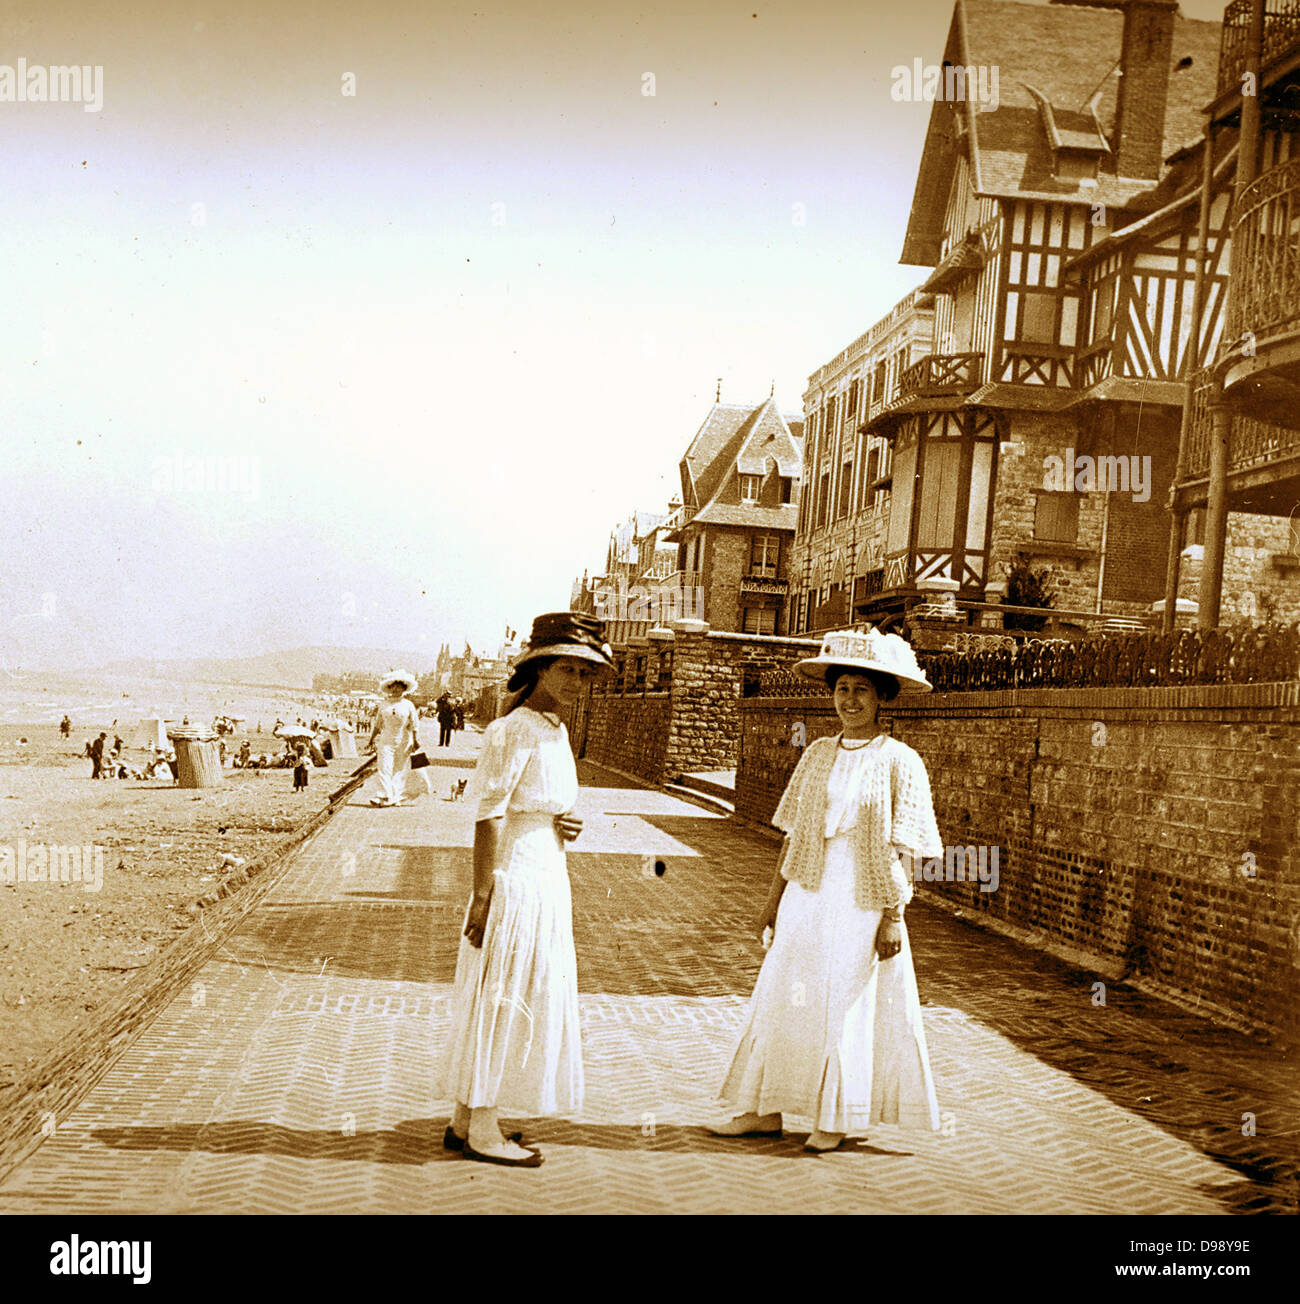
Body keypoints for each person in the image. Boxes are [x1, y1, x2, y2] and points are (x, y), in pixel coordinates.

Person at [710, 627, 943, 1153]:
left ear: (883, 697)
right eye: (842, 689)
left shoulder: (901, 761)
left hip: (864, 897)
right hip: (808, 889)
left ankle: (838, 1115)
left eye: (862, 689)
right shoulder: (817, 754)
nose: (850, 700)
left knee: (845, 997)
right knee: (783, 988)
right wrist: (771, 905)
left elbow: (905, 849)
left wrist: (893, 917)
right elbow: (794, 838)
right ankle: (762, 1108)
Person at [439, 611, 613, 1167]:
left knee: (519, 988)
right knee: (502, 991)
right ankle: (483, 1129)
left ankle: (466, 1117)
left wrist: (565, 823)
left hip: (547, 870)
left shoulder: (557, 729)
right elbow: (489, 815)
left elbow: (535, 803)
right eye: (566, 668)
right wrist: (485, 897)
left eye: (585, 673)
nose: (576, 682)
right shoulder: (511, 728)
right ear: (538, 667)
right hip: (514, 877)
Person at [367, 672, 421, 806]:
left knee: (398, 770)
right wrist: (372, 739)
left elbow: (414, 724)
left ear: (404, 689)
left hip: (403, 740)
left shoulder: (408, 705)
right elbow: (378, 724)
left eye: (399, 687)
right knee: (384, 767)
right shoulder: (383, 704)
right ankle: (384, 796)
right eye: (393, 687)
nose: (396, 690)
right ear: (390, 688)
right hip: (386, 740)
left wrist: (415, 740)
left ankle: (395, 796)